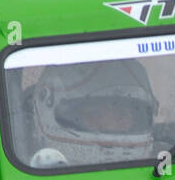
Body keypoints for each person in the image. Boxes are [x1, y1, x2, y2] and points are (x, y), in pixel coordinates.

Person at [29, 59, 158, 167]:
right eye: (94, 115)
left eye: (121, 116)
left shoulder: (167, 164)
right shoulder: (20, 174)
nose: (110, 126)